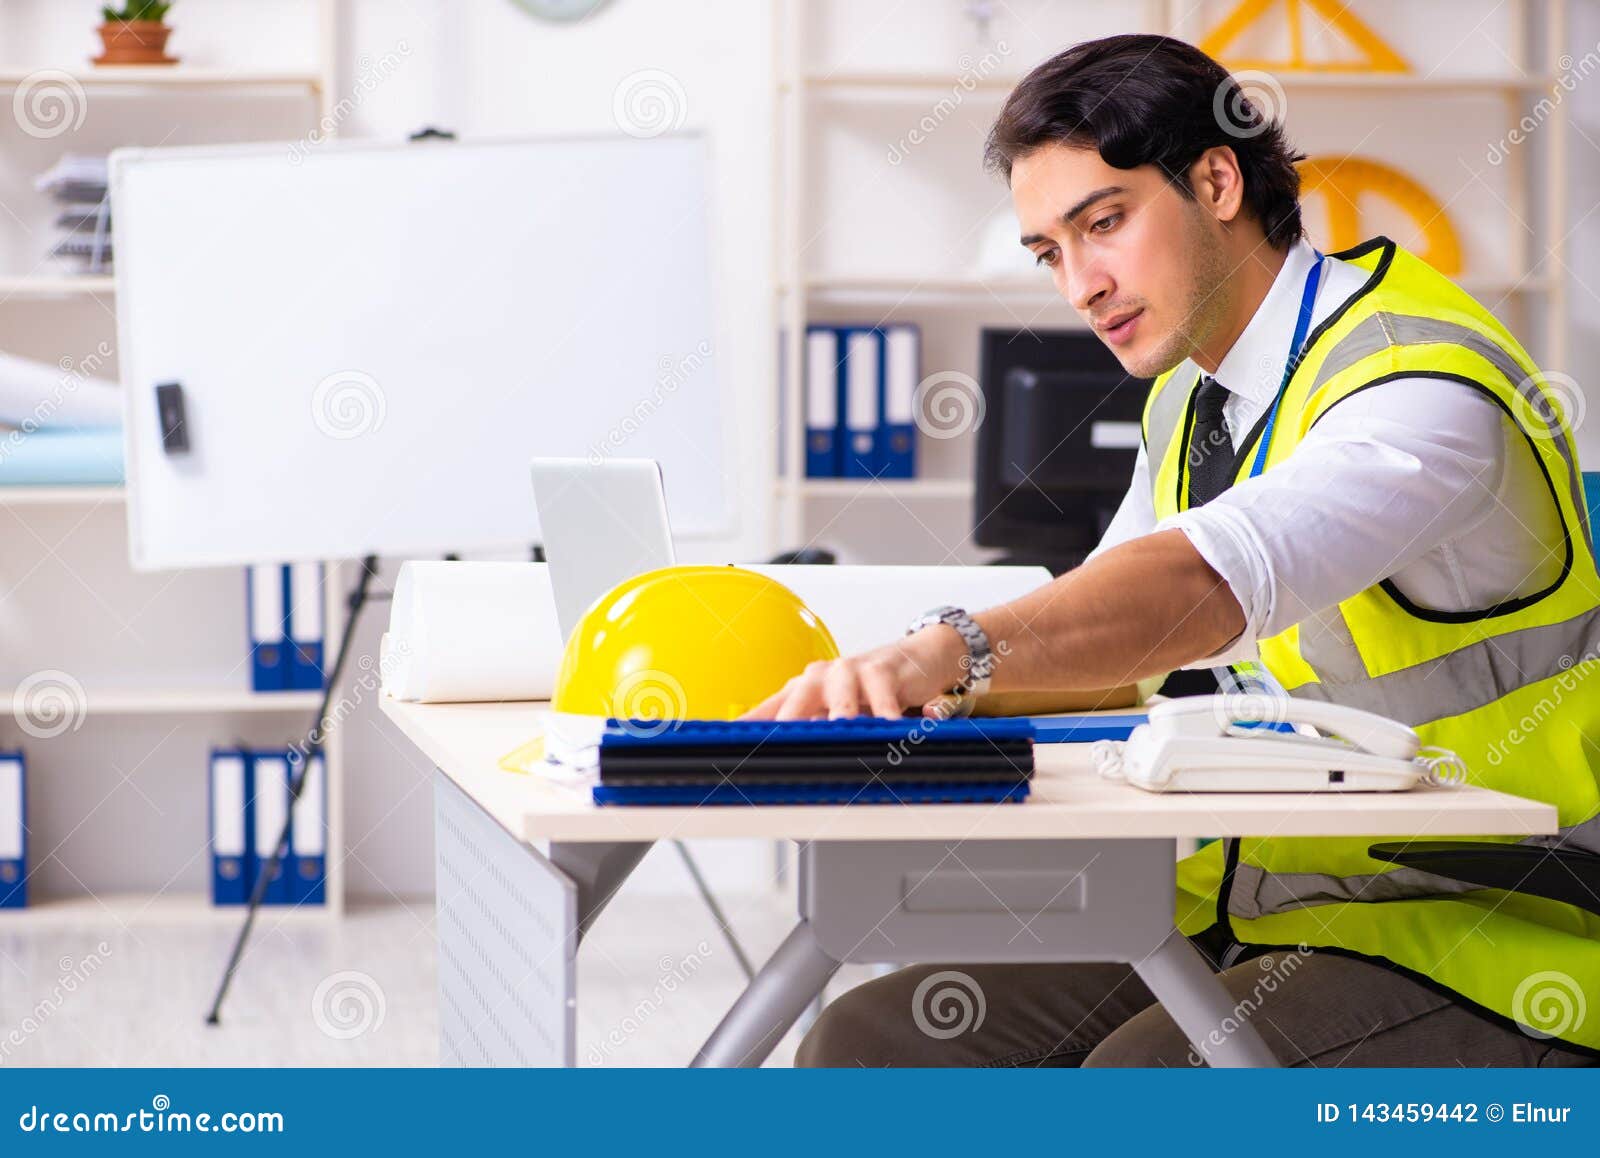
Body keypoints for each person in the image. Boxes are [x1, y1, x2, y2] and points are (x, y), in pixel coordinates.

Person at [745, 34, 1600, 1068]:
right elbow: (1114, 654)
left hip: (1479, 924)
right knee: (874, 1041)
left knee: (1141, 1087)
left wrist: (948, 647)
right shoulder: (1192, 401)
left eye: (1103, 223)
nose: (1080, 285)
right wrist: (888, 692)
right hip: (1263, 899)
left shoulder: (1419, 384)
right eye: (1049, 253)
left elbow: (1198, 583)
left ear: (1218, 180)